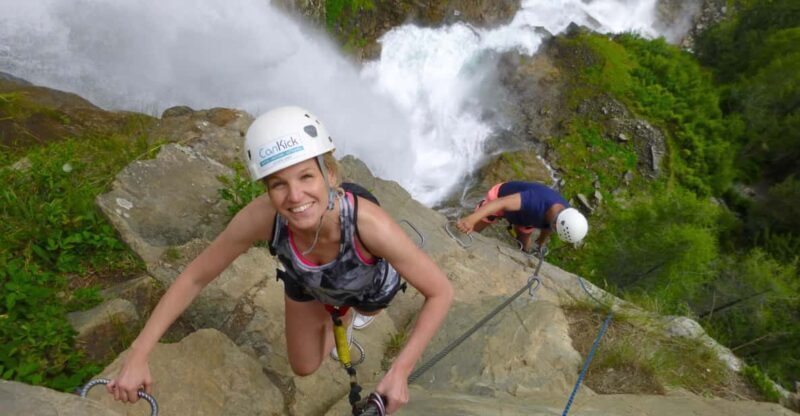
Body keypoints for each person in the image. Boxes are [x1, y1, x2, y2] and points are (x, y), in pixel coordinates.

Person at [107, 106, 454, 414]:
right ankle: (340, 312)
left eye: (306, 176)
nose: (295, 196)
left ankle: (349, 313)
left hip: (367, 279)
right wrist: (139, 354)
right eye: (278, 185)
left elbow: (440, 292)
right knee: (304, 366)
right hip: (307, 279)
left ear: (329, 174)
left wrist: (400, 371)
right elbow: (195, 277)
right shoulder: (263, 218)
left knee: (368, 307)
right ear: (266, 189)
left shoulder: (370, 225)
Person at [456, 181, 588, 252]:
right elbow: (501, 203)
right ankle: (458, 242)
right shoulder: (535, 200)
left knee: (524, 243)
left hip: (527, 216)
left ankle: (523, 251)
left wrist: (540, 243)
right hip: (500, 197)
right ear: (556, 224)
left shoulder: (564, 216)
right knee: (473, 229)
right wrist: (471, 220)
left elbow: (548, 229)